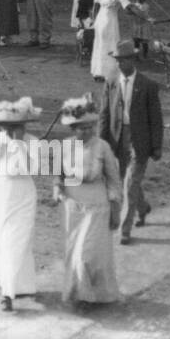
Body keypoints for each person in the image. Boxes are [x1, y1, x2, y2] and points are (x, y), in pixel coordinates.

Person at [52, 96, 122, 307]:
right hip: (72, 207)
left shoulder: (103, 147)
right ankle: (80, 296)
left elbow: (114, 180)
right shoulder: (64, 147)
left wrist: (115, 209)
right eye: (81, 128)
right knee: (74, 253)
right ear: (73, 128)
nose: (86, 132)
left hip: (97, 208)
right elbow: (58, 175)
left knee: (89, 254)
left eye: (90, 127)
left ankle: (95, 294)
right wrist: (57, 189)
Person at [99, 40, 163, 245]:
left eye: (123, 60)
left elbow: (156, 118)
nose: (119, 64)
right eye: (117, 60)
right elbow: (104, 114)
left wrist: (156, 146)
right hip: (118, 138)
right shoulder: (111, 82)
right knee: (126, 180)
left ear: (132, 60)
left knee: (129, 183)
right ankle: (142, 208)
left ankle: (125, 229)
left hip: (140, 140)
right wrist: (102, 142)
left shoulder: (148, 86)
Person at [0, 98, 42, 313]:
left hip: (23, 193)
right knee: (1, 238)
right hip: (1, 192)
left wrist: (18, 144)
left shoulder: (33, 142)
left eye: (15, 126)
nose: (9, 130)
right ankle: (17, 285)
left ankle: (8, 293)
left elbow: (31, 169)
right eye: (6, 127)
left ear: (24, 125)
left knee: (17, 239)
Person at [89, 0, 143, 82]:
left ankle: (98, 72)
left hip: (99, 20)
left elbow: (95, 6)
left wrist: (94, 20)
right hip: (109, 22)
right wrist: (143, 15)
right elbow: (129, 8)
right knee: (110, 46)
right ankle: (107, 73)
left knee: (99, 45)